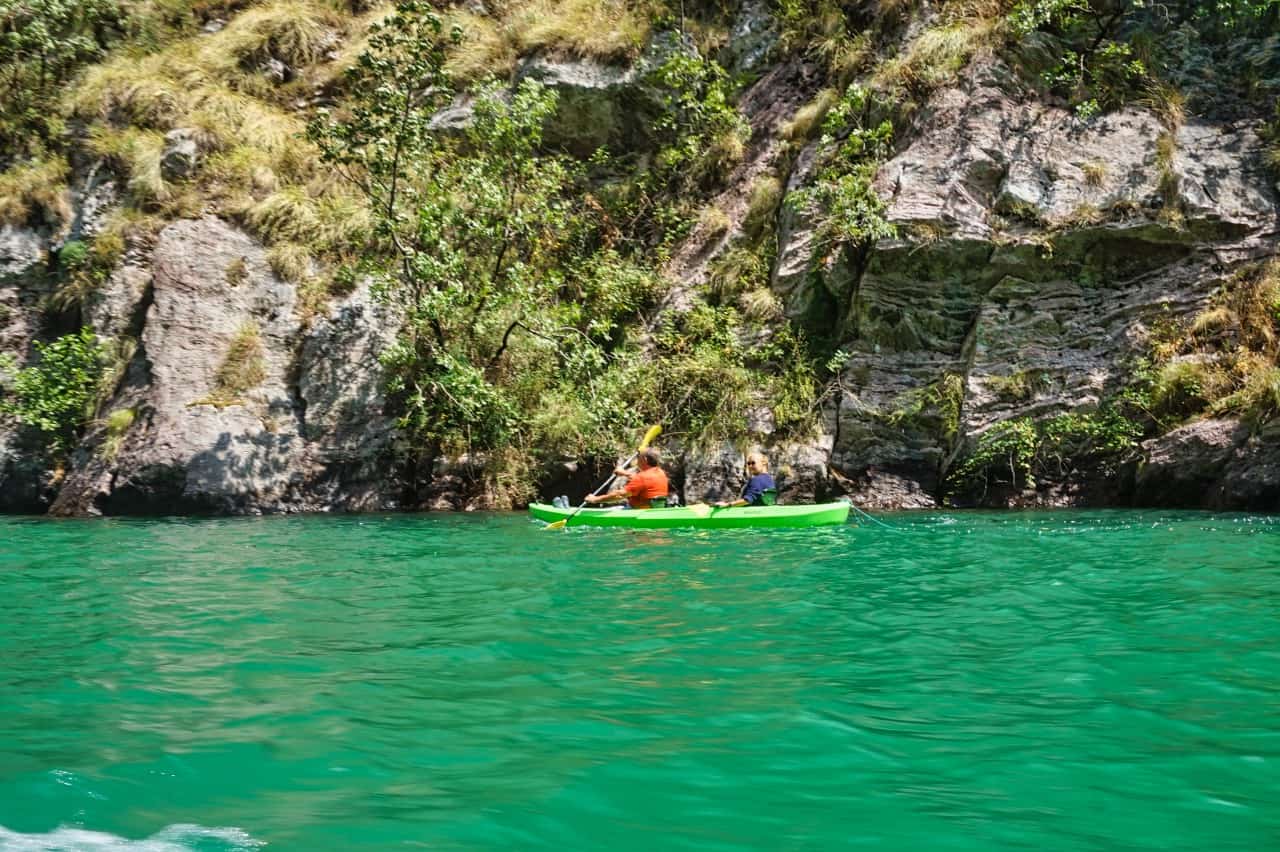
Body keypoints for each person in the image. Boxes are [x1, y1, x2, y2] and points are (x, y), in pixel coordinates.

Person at [584, 448, 669, 509]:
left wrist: (595, 499)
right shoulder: (661, 473)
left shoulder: (642, 477)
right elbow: (644, 482)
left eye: (638, 457)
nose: (637, 460)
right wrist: (624, 473)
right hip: (655, 510)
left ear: (645, 460)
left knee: (611, 510)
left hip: (637, 511)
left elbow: (619, 495)